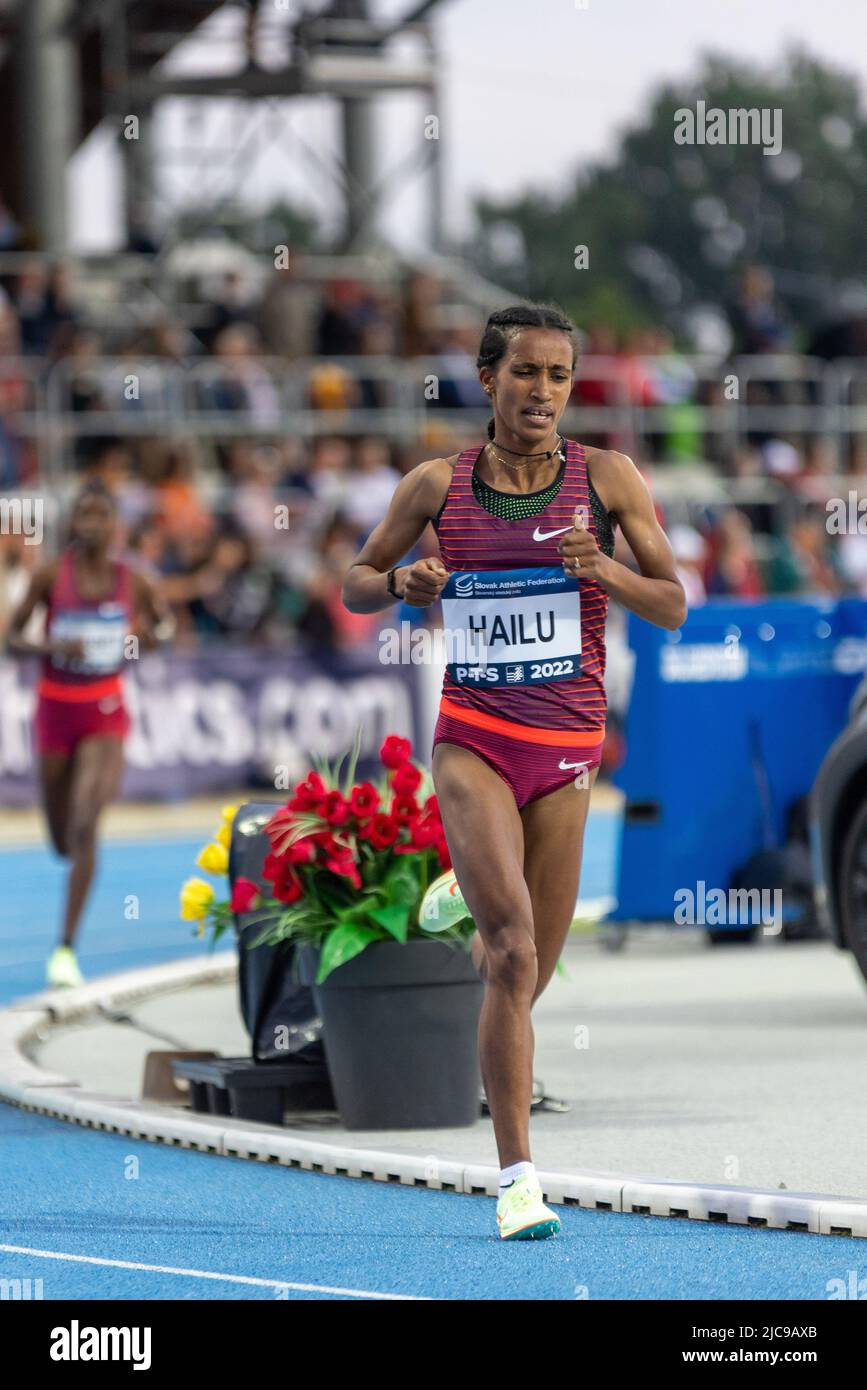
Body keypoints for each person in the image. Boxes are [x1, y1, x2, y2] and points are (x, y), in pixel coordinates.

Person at [342, 303, 686, 1241]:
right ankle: (518, 1180)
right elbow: (354, 581)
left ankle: (466, 883)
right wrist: (402, 584)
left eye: (559, 376)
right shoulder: (435, 485)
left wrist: (604, 572)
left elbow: (673, 605)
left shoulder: (606, 479)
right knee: (513, 952)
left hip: (568, 751)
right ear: (488, 378)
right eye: (525, 373)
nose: (542, 392)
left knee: (532, 971)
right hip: (476, 737)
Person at [5, 479, 172, 987]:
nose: (92, 523)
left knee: (84, 822)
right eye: (84, 515)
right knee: (60, 838)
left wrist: (141, 638)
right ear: (73, 522)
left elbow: (164, 631)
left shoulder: (135, 581)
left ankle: (65, 949)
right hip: (56, 710)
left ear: (115, 524)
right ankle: (68, 845)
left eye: (101, 514)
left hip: (105, 709)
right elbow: (11, 638)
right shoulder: (51, 577)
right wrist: (53, 647)